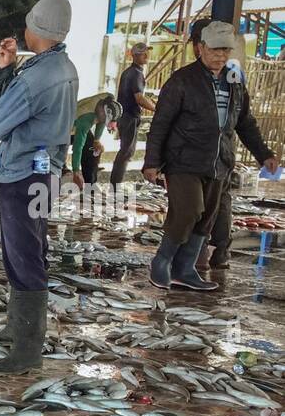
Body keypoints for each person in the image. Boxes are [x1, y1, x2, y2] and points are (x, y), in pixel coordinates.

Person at [0, 0, 79, 375]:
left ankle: (26, 349)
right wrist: (7, 70)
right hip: (46, 171)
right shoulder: (62, 66)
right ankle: (15, 330)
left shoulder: (37, 76)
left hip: (23, 174)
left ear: (34, 28)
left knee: (22, 255)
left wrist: (10, 77)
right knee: (30, 250)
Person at [142, 20, 277, 290]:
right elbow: (161, 123)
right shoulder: (182, 80)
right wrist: (152, 162)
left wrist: (264, 154)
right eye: (215, 49)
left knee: (207, 217)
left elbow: (244, 122)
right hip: (183, 160)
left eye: (225, 50)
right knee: (188, 210)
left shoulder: (234, 80)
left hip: (219, 161)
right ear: (200, 48)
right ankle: (161, 261)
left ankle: (185, 269)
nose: (220, 56)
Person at [109, 42, 155, 187]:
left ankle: (115, 183)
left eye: (147, 52)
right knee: (127, 151)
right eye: (143, 53)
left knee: (126, 150)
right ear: (135, 56)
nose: (146, 55)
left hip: (125, 115)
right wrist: (157, 109)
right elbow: (139, 98)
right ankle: (115, 185)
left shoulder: (130, 72)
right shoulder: (135, 73)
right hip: (129, 115)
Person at [70, 96, 121, 188]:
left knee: (93, 149)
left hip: (81, 125)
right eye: (105, 119)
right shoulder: (86, 119)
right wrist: (76, 171)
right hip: (67, 129)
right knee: (85, 148)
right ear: (102, 112)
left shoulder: (106, 101)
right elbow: (78, 147)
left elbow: (101, 122)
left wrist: (96, 140)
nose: (103, 122)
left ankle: (90, 184)